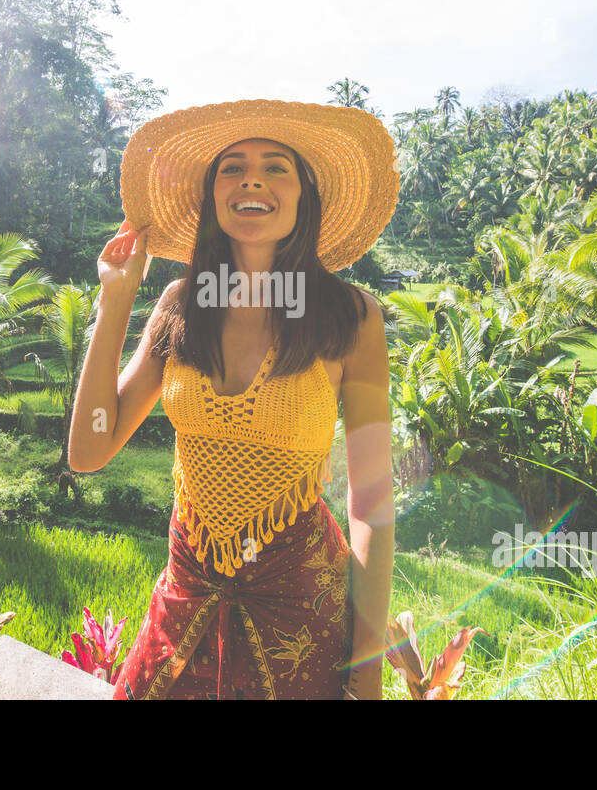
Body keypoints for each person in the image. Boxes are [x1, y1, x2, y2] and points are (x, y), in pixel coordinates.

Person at [68, 99, 400, 699]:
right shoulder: (179, 305)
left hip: (303, 619)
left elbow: (371, 506)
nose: (252, 179)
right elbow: (89, 448)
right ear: (211, 195)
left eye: (277, 167)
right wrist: (114, 305)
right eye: (232, 167)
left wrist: (367, 672)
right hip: (184, 606)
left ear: (305, 196)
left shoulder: (350, 318)